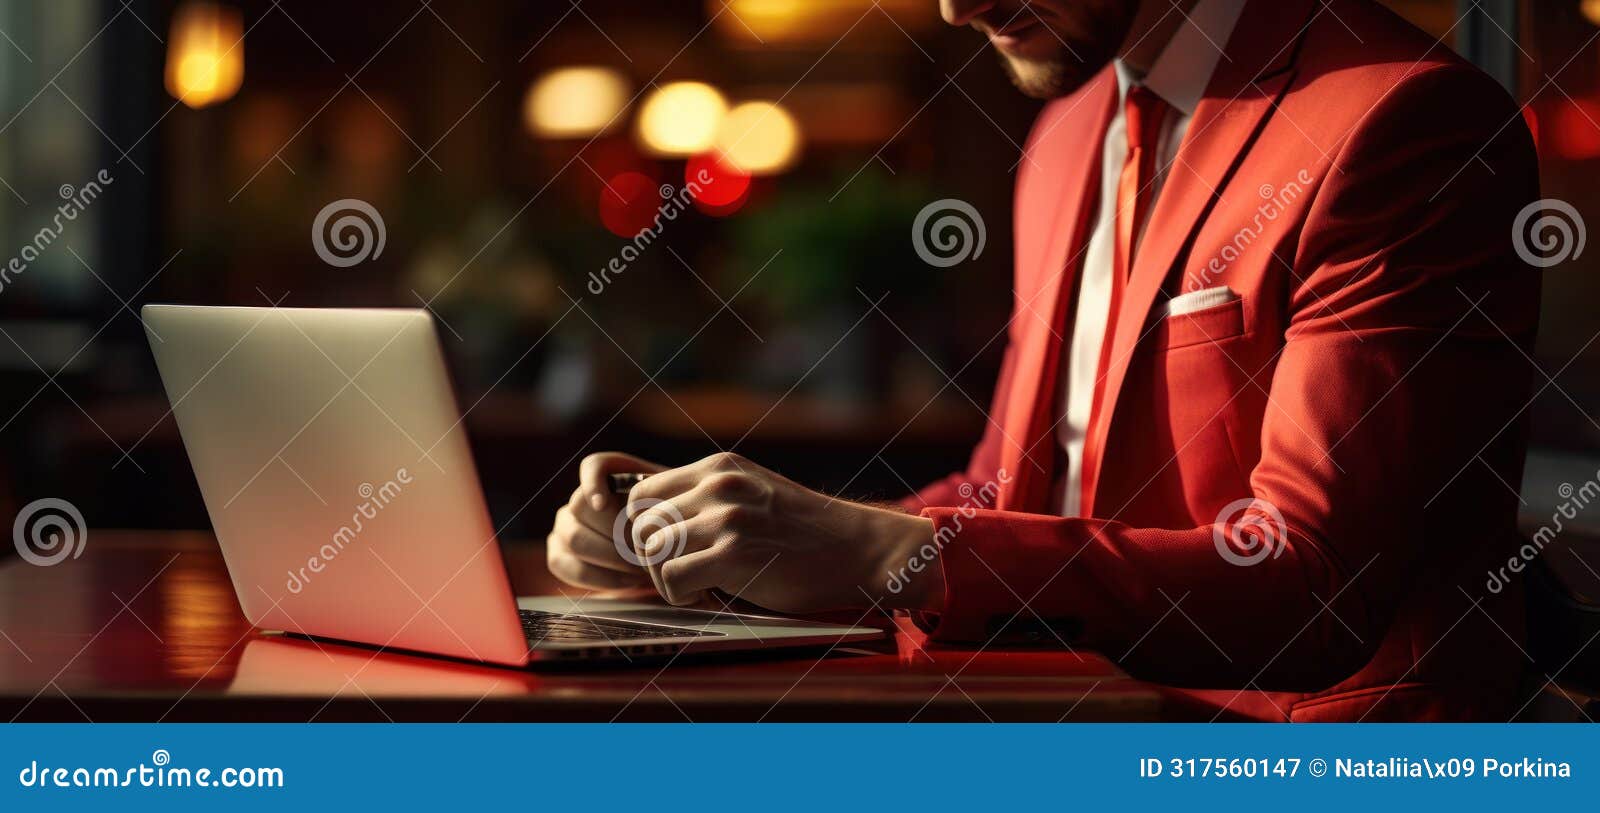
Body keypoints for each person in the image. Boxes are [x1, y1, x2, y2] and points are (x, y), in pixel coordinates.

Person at [547, 0, 1541, 721]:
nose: (957, 7)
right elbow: (1006, 493)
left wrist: (882, 553)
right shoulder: (1065, 134)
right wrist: (715, 551)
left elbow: (1313, 588)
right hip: (1065, 715)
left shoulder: (1402, 121)